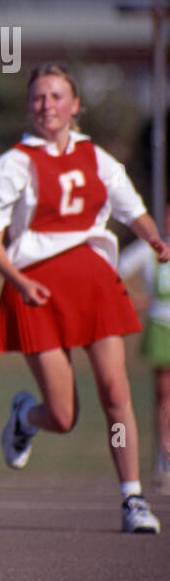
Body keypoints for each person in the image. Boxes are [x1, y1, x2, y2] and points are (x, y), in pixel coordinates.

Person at [0, 63, 166, 533]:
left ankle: (132, 499)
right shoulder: (10, 167)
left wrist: (157, 241)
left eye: (58, 96)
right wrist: (20, 283)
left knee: (117, 393)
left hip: (94, 286)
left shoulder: (99, 160)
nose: (48, 106)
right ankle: (25, 415)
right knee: (63, 416)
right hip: (37, 290)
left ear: (75, 105)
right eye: (40, 98)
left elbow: (134, 212)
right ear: (30, 106)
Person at [118, 207, 170, 495]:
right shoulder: (149, 248)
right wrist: (136, 300)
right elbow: (116, 269)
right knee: (164, 395)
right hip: (162, 327)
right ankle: (165, 459)